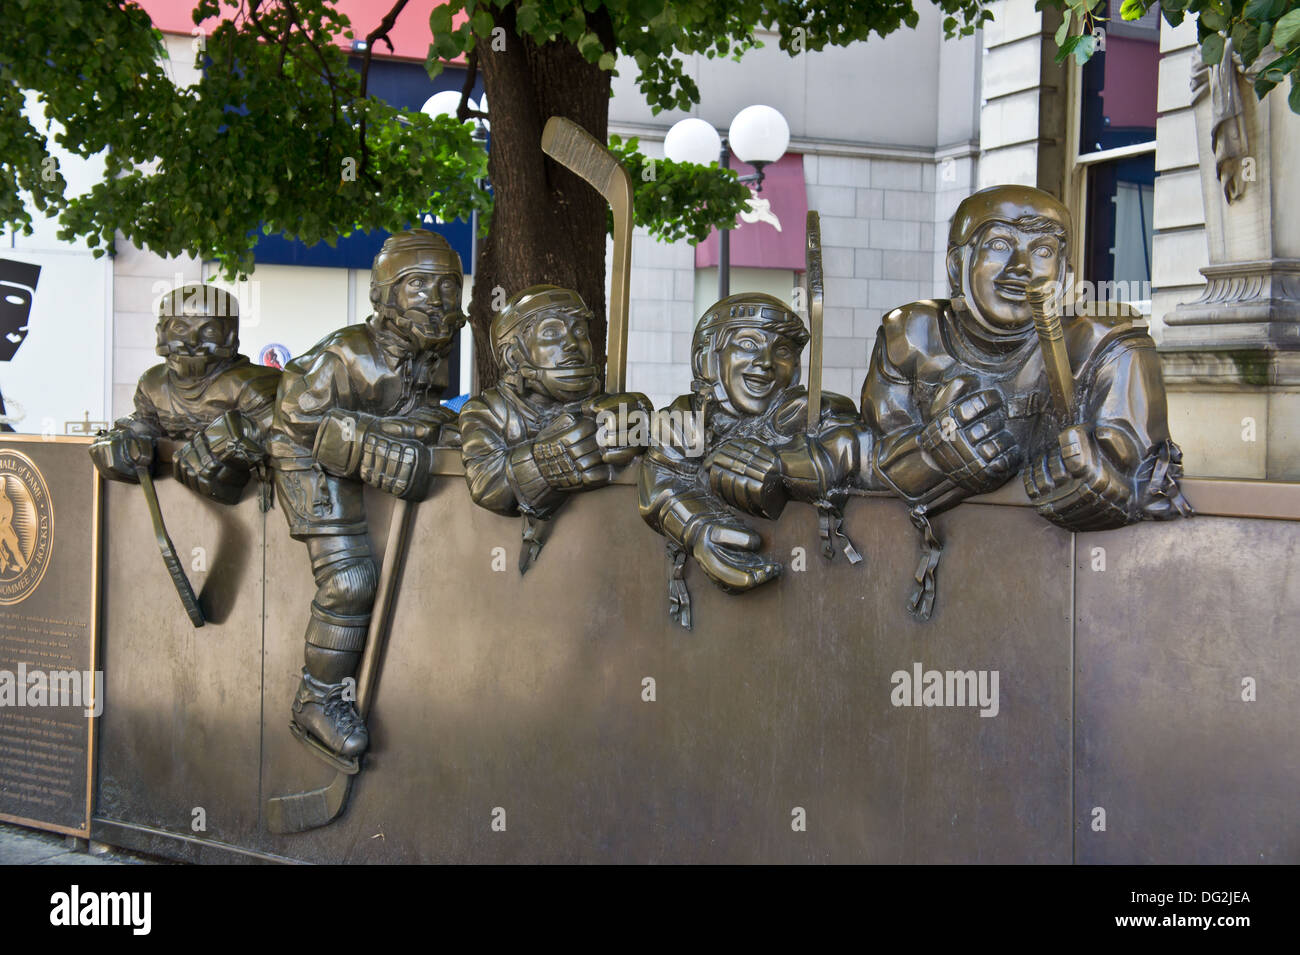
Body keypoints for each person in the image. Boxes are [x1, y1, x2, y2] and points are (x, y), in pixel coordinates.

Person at [859, 184, 1191, 617]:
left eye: (1043, 251)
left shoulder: (1103, 343)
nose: (1021, 268)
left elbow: (1147, 471)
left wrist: (1108, 482)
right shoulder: (912, 335)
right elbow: (870, 453)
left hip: (1069, 599)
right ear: (958, 263)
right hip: (932, 585)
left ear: (1066, 274)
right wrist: (930, 457)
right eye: (999, 245)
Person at [268, 229, 463, 771]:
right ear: (384, 295)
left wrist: (420, 428)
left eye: (446, 286)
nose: (436, 298)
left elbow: (409, 411)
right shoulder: (347, 352)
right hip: (306, 458)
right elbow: (296, 418)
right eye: (418, 284)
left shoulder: (431, 351)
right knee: (351, 582)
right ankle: (317, 699)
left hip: (355, 455)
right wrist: (373, 437)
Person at [638, 292, 872, 624]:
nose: (765, 362)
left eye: (782, 351)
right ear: (709, 359)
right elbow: (661, 476)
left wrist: (785, 465)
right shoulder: (685, 419)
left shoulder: (813, 413)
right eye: (748, 345)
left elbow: (853, 446)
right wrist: (698, 530)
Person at [459, 285, 651, 571]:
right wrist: (545, 463)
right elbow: (488, 485)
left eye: (580, 332)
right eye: (551, 333)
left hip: (598, 564)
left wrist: (640, 419)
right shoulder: (486, 412)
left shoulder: (602, 406)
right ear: (514, 357)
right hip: (505, 573)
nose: (573, 344)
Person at [89, 285, 280, 506]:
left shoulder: (253, 385)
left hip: (255, 510)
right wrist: (122, 442)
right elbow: (146, 425)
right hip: (175, 507)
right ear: (161, 332)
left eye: (208, 331)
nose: (191, 341)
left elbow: (283, 436)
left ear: (230, 335)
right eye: (180, 327)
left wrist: (234, 439)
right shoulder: (153, 384)